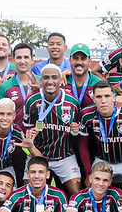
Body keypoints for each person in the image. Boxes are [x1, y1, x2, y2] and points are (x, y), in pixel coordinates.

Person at [23, 64, 82, 196]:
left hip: (64, 156)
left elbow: (76, 133)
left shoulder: (72, 102)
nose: (50, 81)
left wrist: (74, 131)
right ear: (41, 80)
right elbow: (27, 133)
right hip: (38, 155)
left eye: (54, 77)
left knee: (76, 194)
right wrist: (30, 136)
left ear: (60, 79)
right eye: (46, 78)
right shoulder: (32, 101)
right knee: (28, 194)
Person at [78, 80, 122, 185]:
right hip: (103, 160)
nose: (103, 101)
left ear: (113, 97)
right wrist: (89, 173)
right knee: (91, 185)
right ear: (93, 99)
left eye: (107, 96)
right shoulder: (86, 115)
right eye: (99, 97)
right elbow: (83, 144)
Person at [0, 43, 39, 127]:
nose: (22, 61)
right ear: (13, 60)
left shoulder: (42, 82)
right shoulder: (4, 86)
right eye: (19, 57)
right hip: (14, 137)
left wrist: (39, 92)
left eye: (26, 57)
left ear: (32, 60)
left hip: (38, 136)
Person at [65, 43, 102, 110]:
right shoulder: (63, 81)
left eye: (83, 58)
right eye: (75, 58)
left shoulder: (99, 83)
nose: (79, 62)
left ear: (89, 61)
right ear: (70, 60)